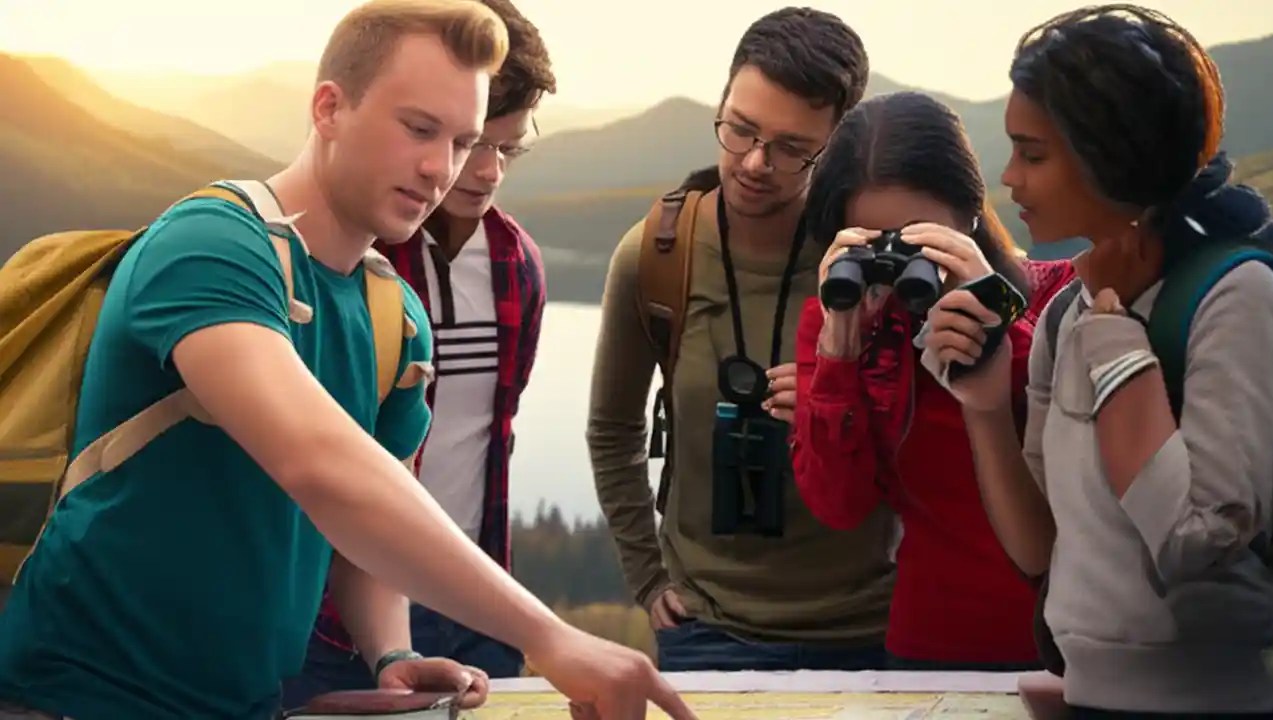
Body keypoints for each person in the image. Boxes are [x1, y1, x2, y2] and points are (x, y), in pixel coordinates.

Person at [0, 2, 695, 720]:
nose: (441, 168)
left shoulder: (394, 319)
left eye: (462, 140)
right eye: (418, 129)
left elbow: (366, 521)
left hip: (241, 704)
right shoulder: (210, 246)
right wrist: (551, 638)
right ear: (329, 108)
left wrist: (389, 653)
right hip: (71, 697)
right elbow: (319, 464)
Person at [924, 4, 1273, 717]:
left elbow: (1194, 540)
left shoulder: (1236, 298)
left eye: (1033, 153)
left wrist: (1119, 346)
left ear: (1110, 156)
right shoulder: (1066, 315)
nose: (1010, 177)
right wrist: (987, 406)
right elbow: (1041, 554)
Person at [588, 6, 897, 673]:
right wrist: (648, 578)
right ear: (723, 102)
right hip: (707, 630)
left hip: (873, 628)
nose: (755, 163)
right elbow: (612, 428)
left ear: (838, 142)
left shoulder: (869, 258)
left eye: (791, 148)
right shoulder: (656, 256)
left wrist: (835, 394)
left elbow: (936, 432)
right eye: (740, 130)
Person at [284, 0, 554, 703]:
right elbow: (329, 466)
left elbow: (495, 435)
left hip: (473, 597)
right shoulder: (345, 255)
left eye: (502, 148)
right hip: (327, 617)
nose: (481, 169)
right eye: (468, 141)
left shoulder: (517, 263)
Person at [789, 90, 1076, 672]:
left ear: (969, 217)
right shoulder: (835, 322)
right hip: (928, 644)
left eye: (917, 240)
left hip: (1067, 644)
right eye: (874, 245)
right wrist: (840, 348)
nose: (896, 267)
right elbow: (839, 507)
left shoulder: (1056, 302)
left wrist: (997, 320)